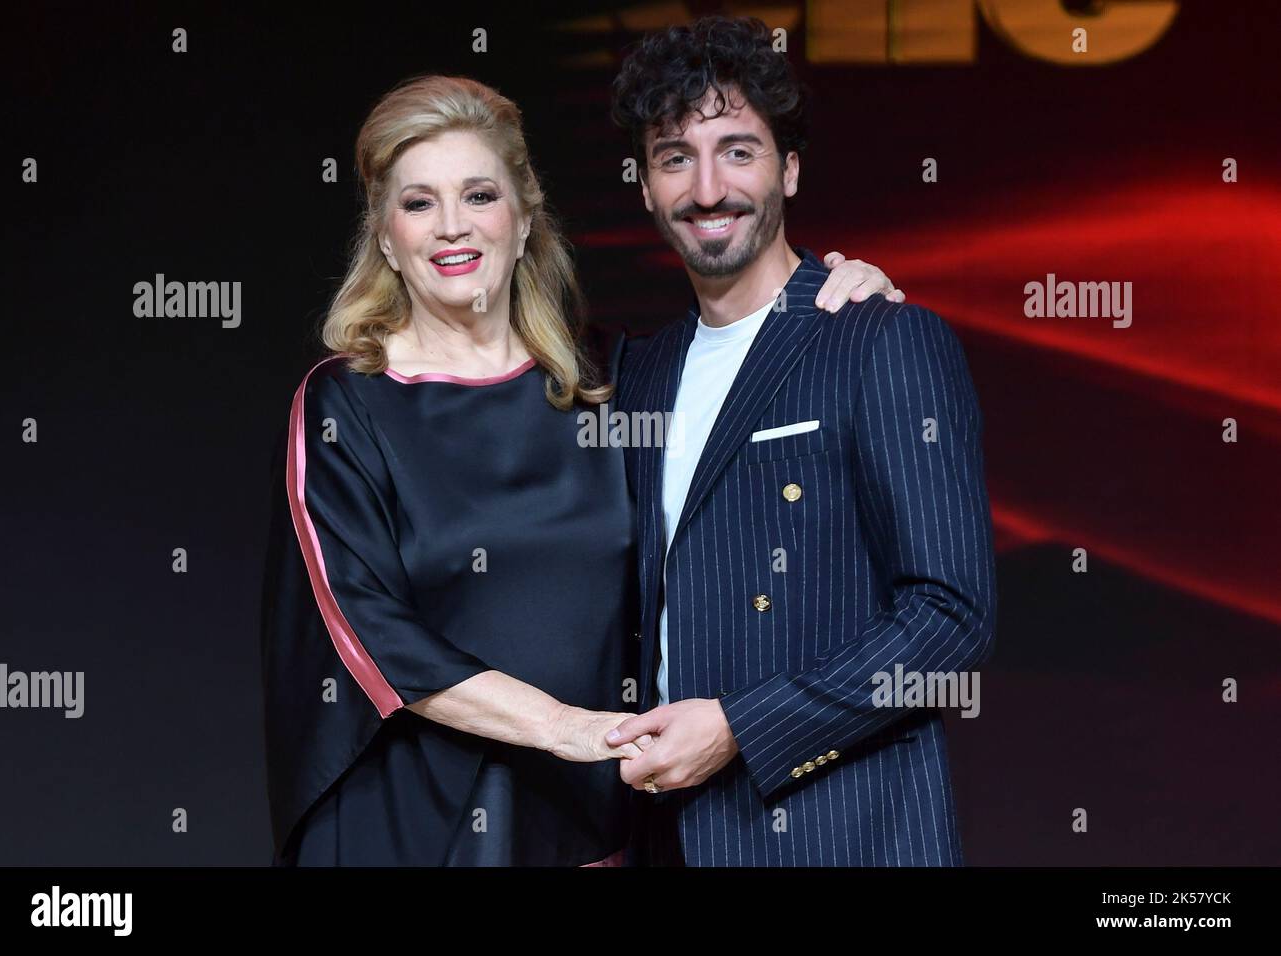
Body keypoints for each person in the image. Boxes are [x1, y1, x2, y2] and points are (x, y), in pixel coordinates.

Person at [258, 73, 903, 866]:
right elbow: (369, 631)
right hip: (413, 822)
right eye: (419, 203)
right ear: (386, 236)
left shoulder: (608, 378)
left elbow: (742, 402)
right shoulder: (345, 404)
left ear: (524, 219)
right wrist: (566, 726)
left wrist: (833, 293)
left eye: (480, 196)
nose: (452, 227)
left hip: (587, 818)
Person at [607, 15, 998, 866]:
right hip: (663, 842)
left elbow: (951, 620)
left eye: (738, 151)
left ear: (788, 168)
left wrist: (742, 727)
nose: (708, 189)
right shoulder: (633, 374)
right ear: (644, 185)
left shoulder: (879, 337)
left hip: (842, 835)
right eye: (676, 157)